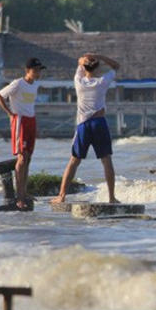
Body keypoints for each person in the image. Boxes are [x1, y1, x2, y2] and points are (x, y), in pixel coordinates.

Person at [51, 53, 121, 204]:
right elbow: (116, 66)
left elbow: (79, 61)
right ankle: (111, 197)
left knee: (74, 161)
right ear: (97, 68)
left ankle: (62, 196)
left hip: (83, 125)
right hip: (99, 122)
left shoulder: (79, 81)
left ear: (84, 68)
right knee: (106, 160)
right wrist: (99, 56)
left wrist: (85, 58)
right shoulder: (102, 81)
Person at [0, 57, 45, 210]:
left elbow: (30, 104)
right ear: (28, 70)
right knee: (22, 157)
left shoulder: (35, 85)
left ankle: (25, 192)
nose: (38, 74)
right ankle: (19, 196)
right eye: (35, 71)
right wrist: (10, 114)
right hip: (20, 121)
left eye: (39, 71)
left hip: (31, 120)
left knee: (28, 157)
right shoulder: (18, 83)